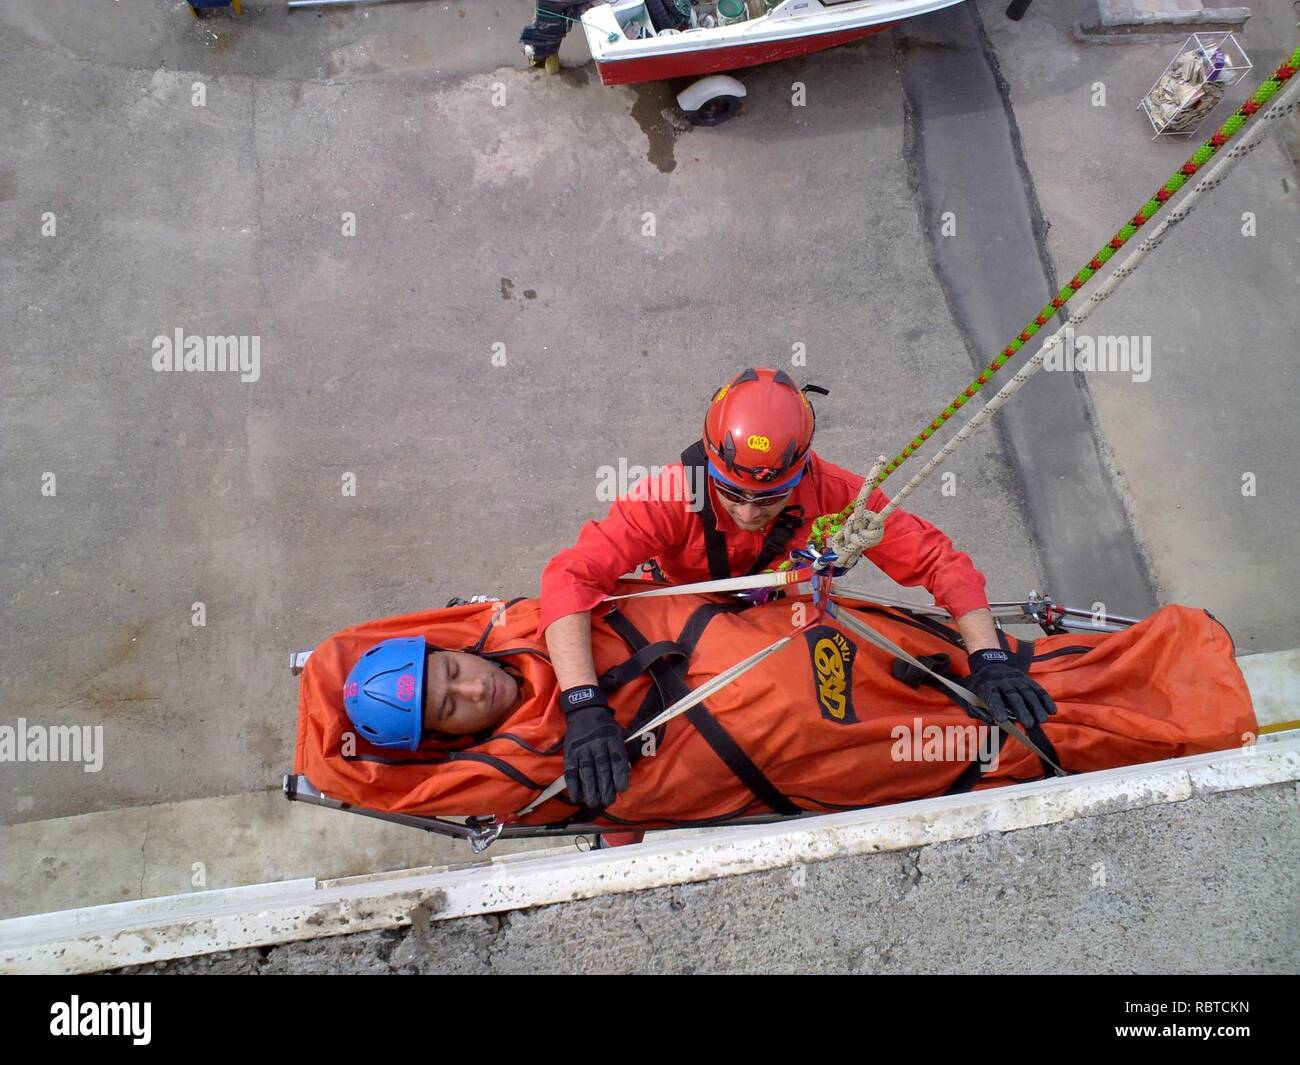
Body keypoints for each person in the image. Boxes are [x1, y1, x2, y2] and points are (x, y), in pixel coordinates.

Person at [539, 367, 1057, 811]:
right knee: (641, 767)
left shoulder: (835, 494)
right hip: (683, 630)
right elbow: (571, 576)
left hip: (786, 634)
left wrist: (988, 657)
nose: (747, 514)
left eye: (768, 499)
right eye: (732, 494)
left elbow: (938, 560)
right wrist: (583, 703)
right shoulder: (670, 497)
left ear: (802, 469)